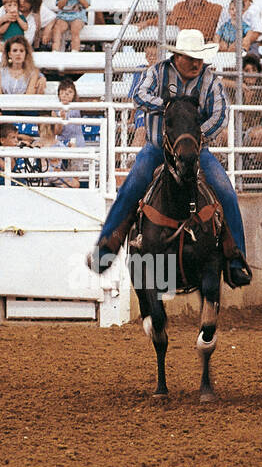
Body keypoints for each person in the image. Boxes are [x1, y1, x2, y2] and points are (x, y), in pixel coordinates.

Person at [93, 29, 251, 286]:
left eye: (199, 57)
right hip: (158, 148)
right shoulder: (156, 73)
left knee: (225, 190)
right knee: (133, 185)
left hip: (197, 151)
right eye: (190, 57)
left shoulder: (209, 80)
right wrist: (168, 107)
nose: (196, 63)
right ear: (177, 56)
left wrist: (196, 136)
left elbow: (221, 113)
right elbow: (138, 95)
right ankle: (107, 246)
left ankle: (235, 260)